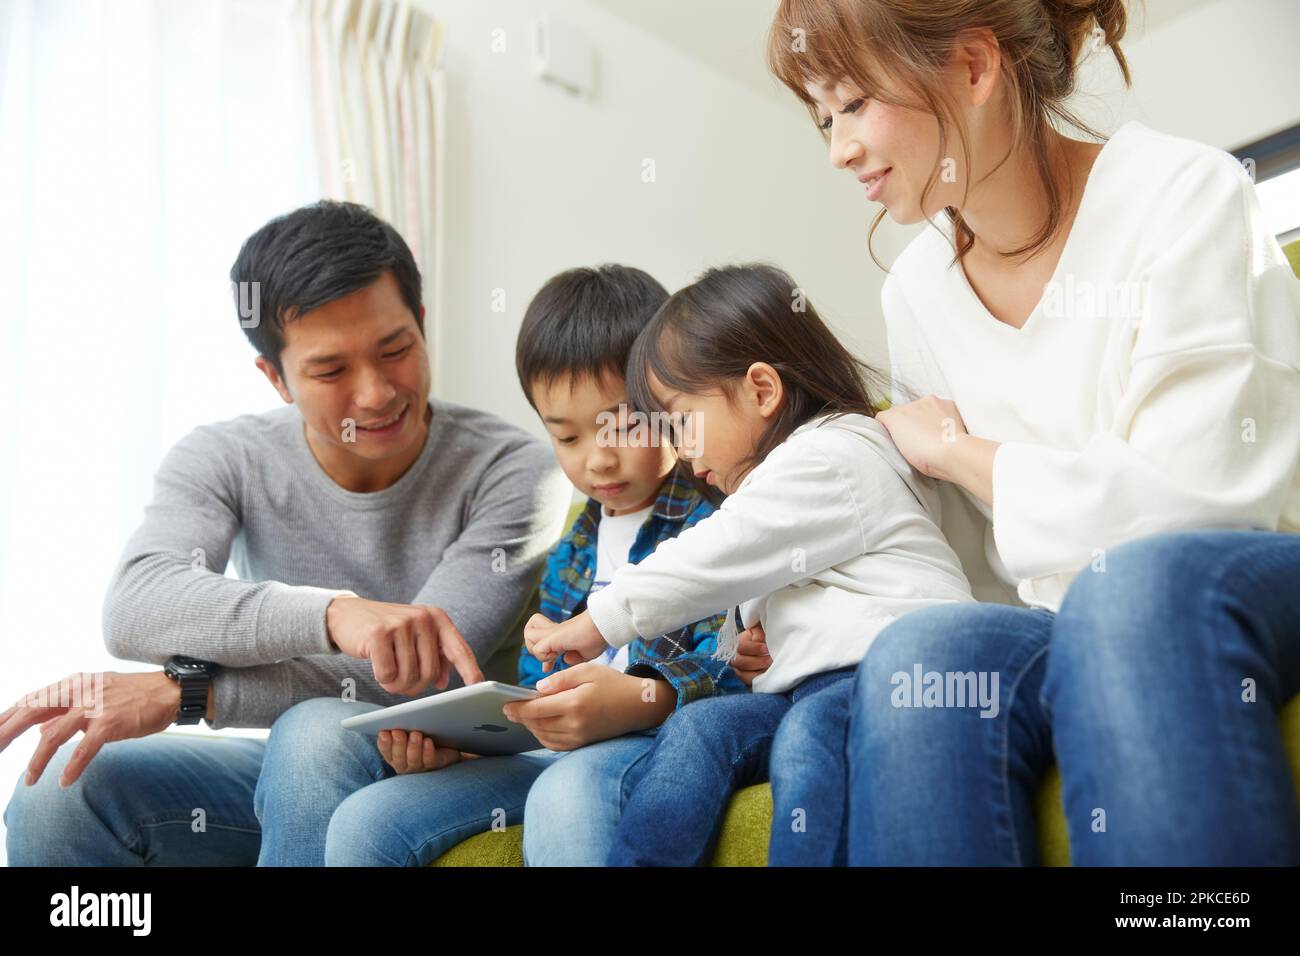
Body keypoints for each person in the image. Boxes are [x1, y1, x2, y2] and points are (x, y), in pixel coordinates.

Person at [766, 0, 1300, 864]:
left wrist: (957, 452)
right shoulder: (917, 289)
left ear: (975, 69)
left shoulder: (1185, 193)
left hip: (1242, 574)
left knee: (1130, 593)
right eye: (824, 117)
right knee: (921, 654)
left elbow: (1193, 506)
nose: (839, 149)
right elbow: (969, 569)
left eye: (855, 104)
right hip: (1056, 620)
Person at [1, 200, 569, 866]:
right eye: (331, 371)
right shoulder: (227, 456)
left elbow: (419, 675)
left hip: (448, 769)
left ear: (421, 323)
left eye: (396, 350)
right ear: (275, 378)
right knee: (63, 788)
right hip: (298, 773)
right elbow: (137, 603)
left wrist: (192, 692)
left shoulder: (517, 472)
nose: (377, 393)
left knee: (313, 732)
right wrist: (334, 615)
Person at [528, 263, 974, 865]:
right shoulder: (768, 489)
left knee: (809, 741)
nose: (681, 451)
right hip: (807, 688)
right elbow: (760, 591)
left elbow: (713, 557)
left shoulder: (835, 451)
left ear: (762, 390)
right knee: (698, 731)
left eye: (681, 422)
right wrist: (745, 647)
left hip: (882, 678)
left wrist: (592, 622)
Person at [323, 264, 748, 866]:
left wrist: (637, 698)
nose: (597, 460)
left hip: (651, 744)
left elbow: (736, 671)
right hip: (551, 752)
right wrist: (479, 740)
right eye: (567, 438)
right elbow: (535, 678)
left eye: (622, 426)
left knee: (565, 794)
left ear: (668, 399)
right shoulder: (576, 540)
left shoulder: (719, 521)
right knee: (368, 821)